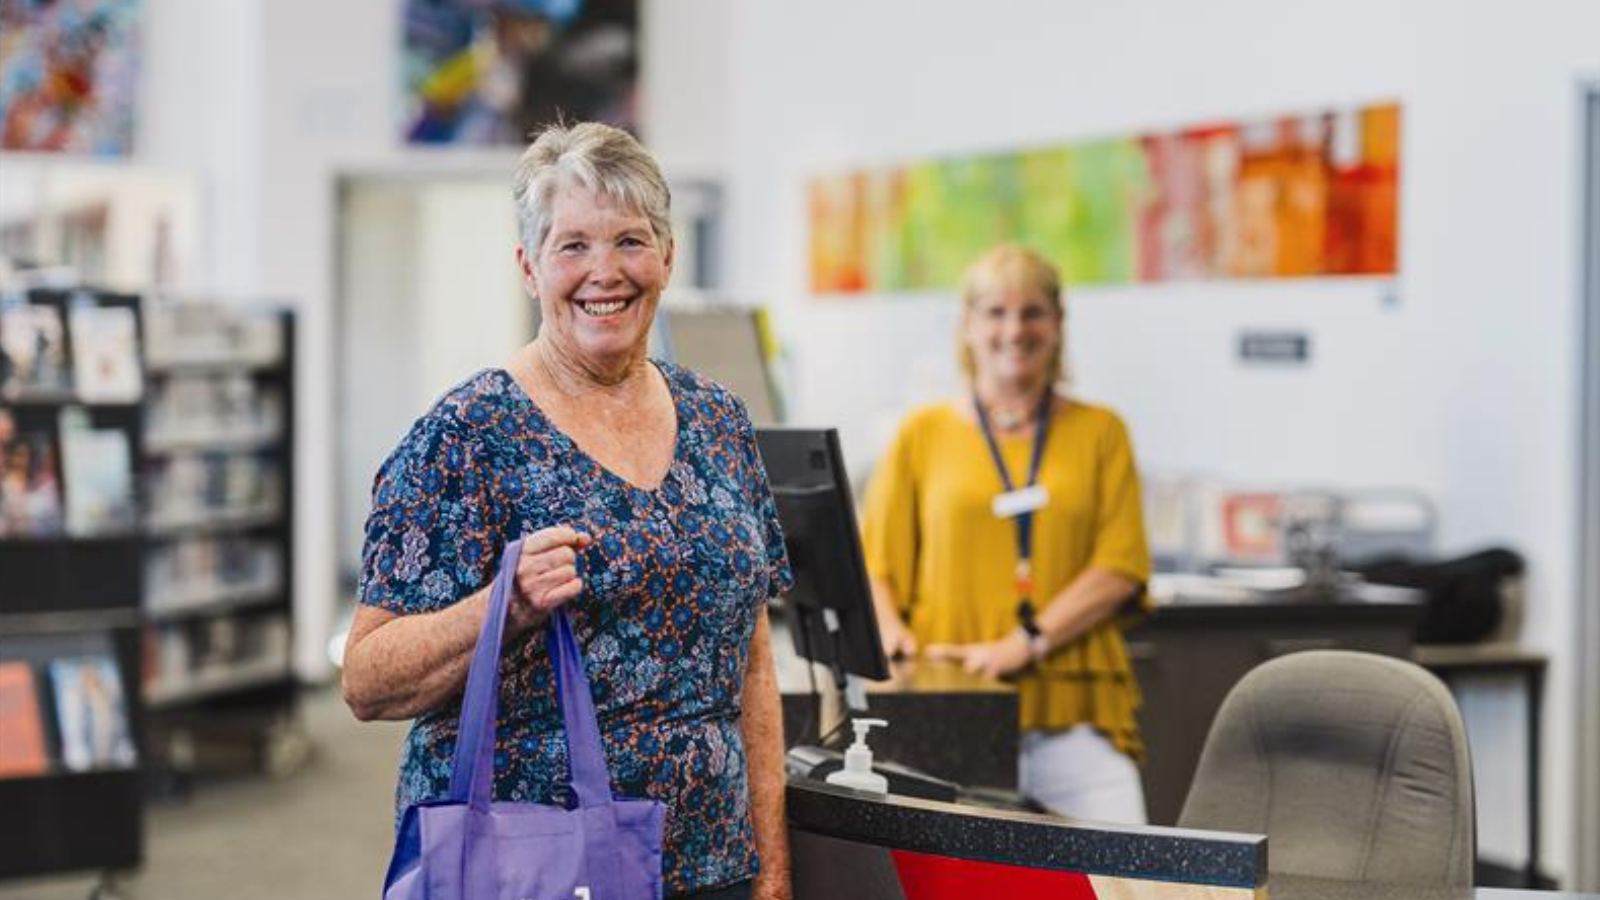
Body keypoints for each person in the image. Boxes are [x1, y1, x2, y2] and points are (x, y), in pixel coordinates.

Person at [342, 121, 794, 900]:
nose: (605, 272)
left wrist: (772, 867)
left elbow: (753, 660)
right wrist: (500, 607)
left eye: (629, 241)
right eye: (573, 246)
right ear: (529, 266)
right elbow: (365, 679)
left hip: (711, 862)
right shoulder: (465, 436)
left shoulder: (719, 420)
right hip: (538, 869)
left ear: (667, 257)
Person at [860, 244, 1153, 824]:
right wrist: (899, 645)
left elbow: (1120, 564)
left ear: (1058, 323)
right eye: (995, 312)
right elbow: (875, 565)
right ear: (968, 326)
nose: (1014, 329)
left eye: (1033, 311)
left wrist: (1025, 643)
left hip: (1070, 710)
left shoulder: (1102, 432)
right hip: (951, 708)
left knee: (1130, 871)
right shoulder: (922, 432)